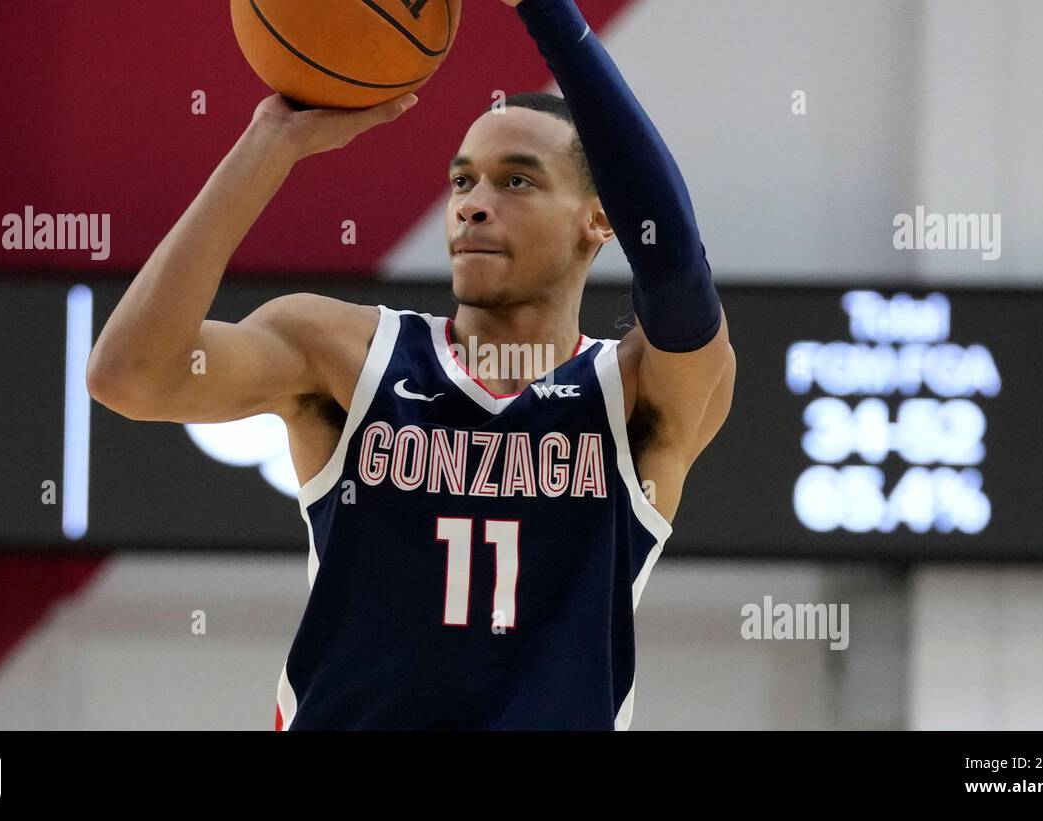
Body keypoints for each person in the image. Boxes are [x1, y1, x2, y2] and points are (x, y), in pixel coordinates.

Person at [86, 0, 735, 730]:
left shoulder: (635, 398)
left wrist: (550, 14)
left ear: (599, 217)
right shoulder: (345, 354)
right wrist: (270, 139)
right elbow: (129, 374)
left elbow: (678, 271)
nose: (474, 206)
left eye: (516, 181)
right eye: (463, 182)